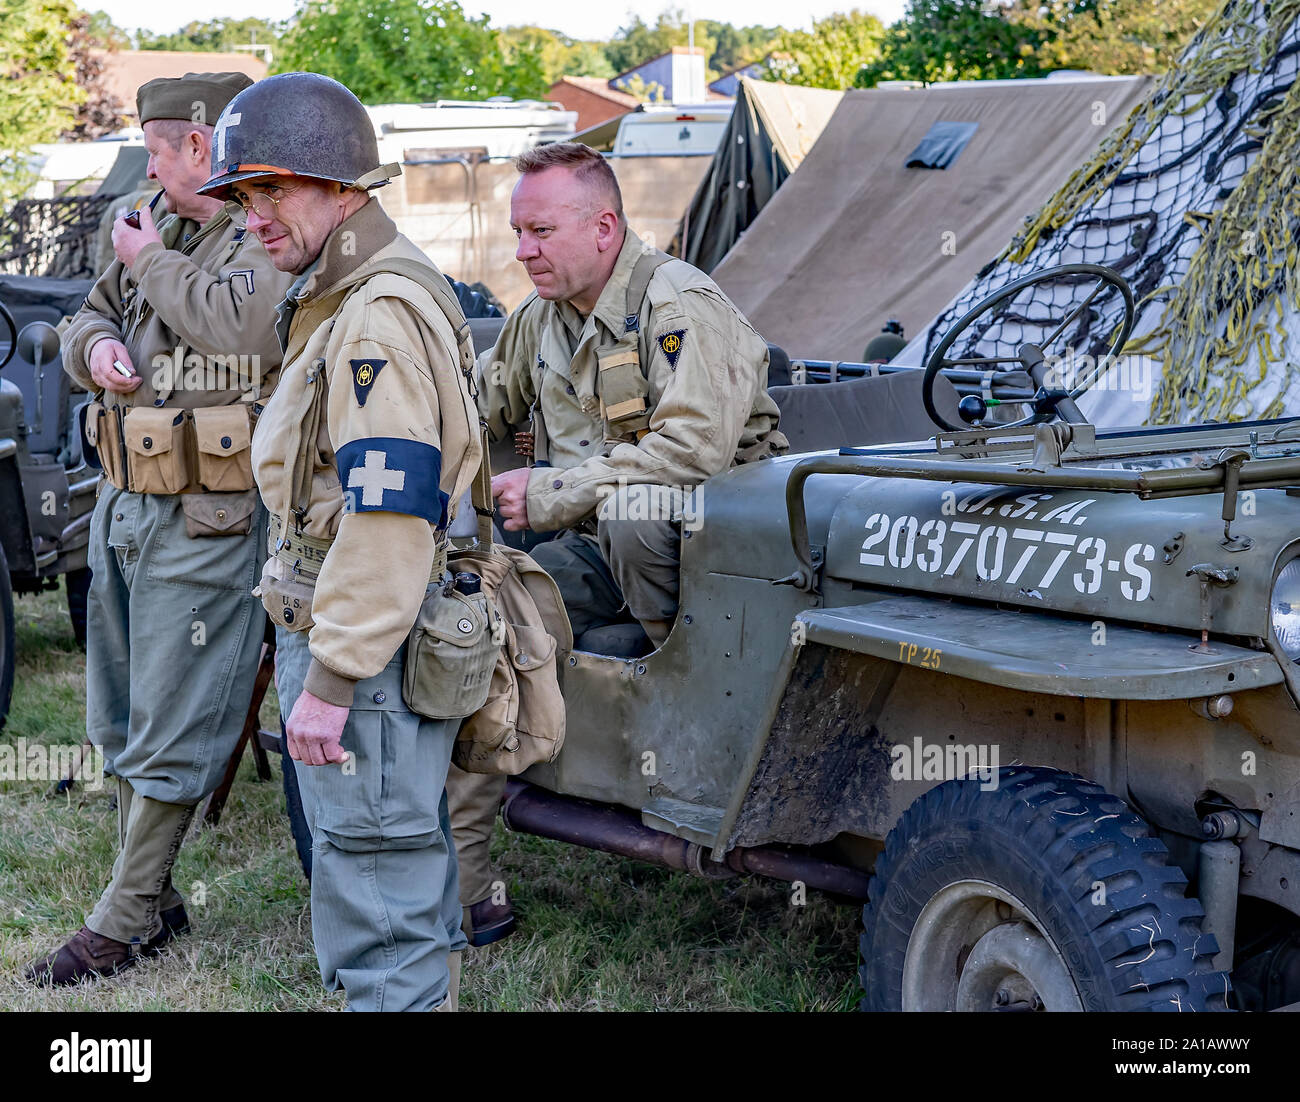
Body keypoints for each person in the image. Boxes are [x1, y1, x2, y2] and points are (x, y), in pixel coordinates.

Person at [450, 141, 788, 945]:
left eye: (540, 231)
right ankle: (461, 885)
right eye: (517, 231)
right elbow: (480, 409)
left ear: (604, 228)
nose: (522, 250)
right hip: (601, 545)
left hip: (724, 554)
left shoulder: (678, 304)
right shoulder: (541, 317)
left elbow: (691, 452)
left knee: (639, 508)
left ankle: (675, 670)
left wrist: (550, 491)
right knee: (476, 619)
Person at [196, 71, 482, 1012]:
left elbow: (390, 510)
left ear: (339, 188)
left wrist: (331, 679)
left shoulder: (374, 318)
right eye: (244, 197)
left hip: (366, 656)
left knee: (377, 892)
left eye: (272, 190)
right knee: (386, 878)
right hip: (364, 640)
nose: (254, 217)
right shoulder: (348, 296)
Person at [26, 72, 291, 987]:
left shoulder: (255, 231)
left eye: (156, 141)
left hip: (211, 515)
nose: (145, 159)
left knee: (175, 723)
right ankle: (162, 895)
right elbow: (84, 315)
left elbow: (243, 328)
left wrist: (143, 263)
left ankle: (123, 917)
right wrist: (94, 348)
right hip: (126, 503)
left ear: (200, 144)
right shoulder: (155, 223)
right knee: (122, 712)